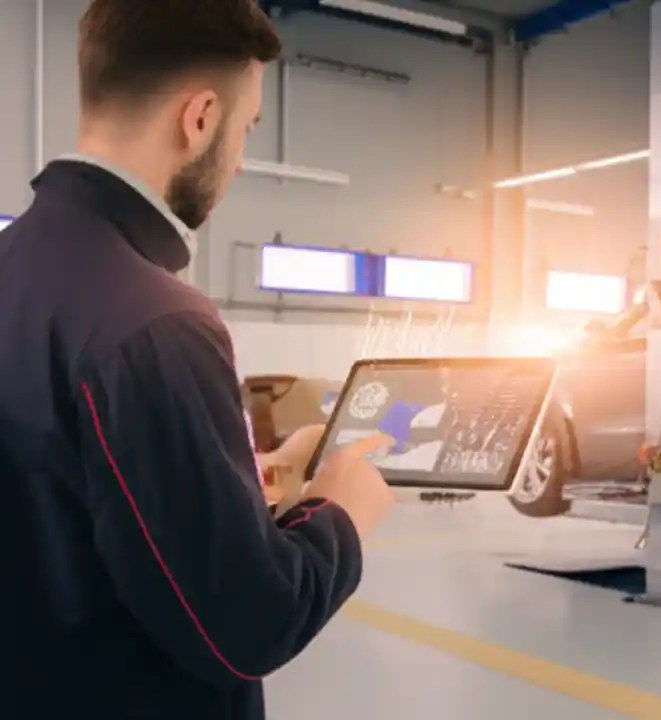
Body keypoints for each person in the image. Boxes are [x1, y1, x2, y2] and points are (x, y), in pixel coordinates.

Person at [0, 2, 396, 718]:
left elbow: (65, 502)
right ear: (201, 118)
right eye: (246, 128)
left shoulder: (15, 266)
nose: (241, 157)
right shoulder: (157, 322)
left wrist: (245, 482)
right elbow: (244, 624)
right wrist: (340, 511)